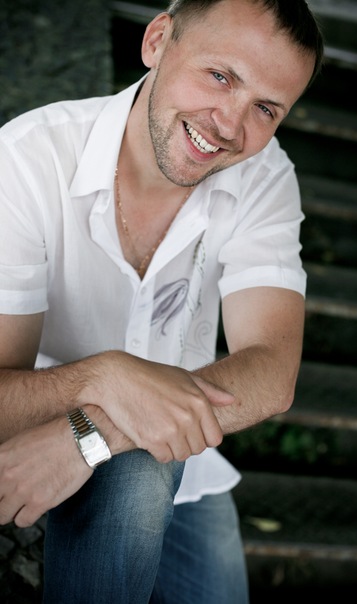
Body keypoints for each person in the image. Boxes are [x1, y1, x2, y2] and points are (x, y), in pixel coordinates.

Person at [0, 0, 323, 602]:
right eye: (220, 76)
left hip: (182, 452)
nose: (228, 124)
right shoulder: (27, 159)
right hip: (31, 437)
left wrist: (94, 428)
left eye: (265, 108)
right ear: (157, 42)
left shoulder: (266, 177)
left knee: (154, 467)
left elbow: (272, 373)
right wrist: (106, 378)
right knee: (142, 474)